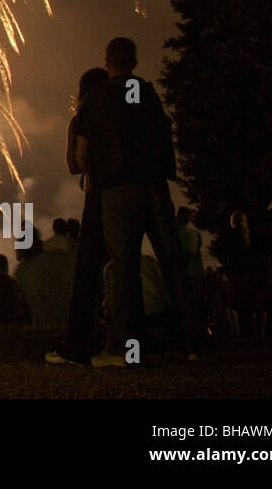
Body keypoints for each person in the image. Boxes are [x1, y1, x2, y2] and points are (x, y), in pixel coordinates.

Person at [75, 38, 201, 366]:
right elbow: (160, 131)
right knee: (172, 262)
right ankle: (193, 343)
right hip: (154, 187)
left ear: (108, 61)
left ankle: (124, 349)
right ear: (133, 60)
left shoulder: (95, 100)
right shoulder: (144, 93)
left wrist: (99, 177)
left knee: (123, 267)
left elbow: (81, 154)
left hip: (118, 191)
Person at [47, 67, 109, 365]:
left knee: (87, 274)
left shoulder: (83, 117)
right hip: (134, 197)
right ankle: (128, 342)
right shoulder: (128, 113)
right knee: (123, 270)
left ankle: (78, 345)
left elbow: (75, 164)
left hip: (98, 196)